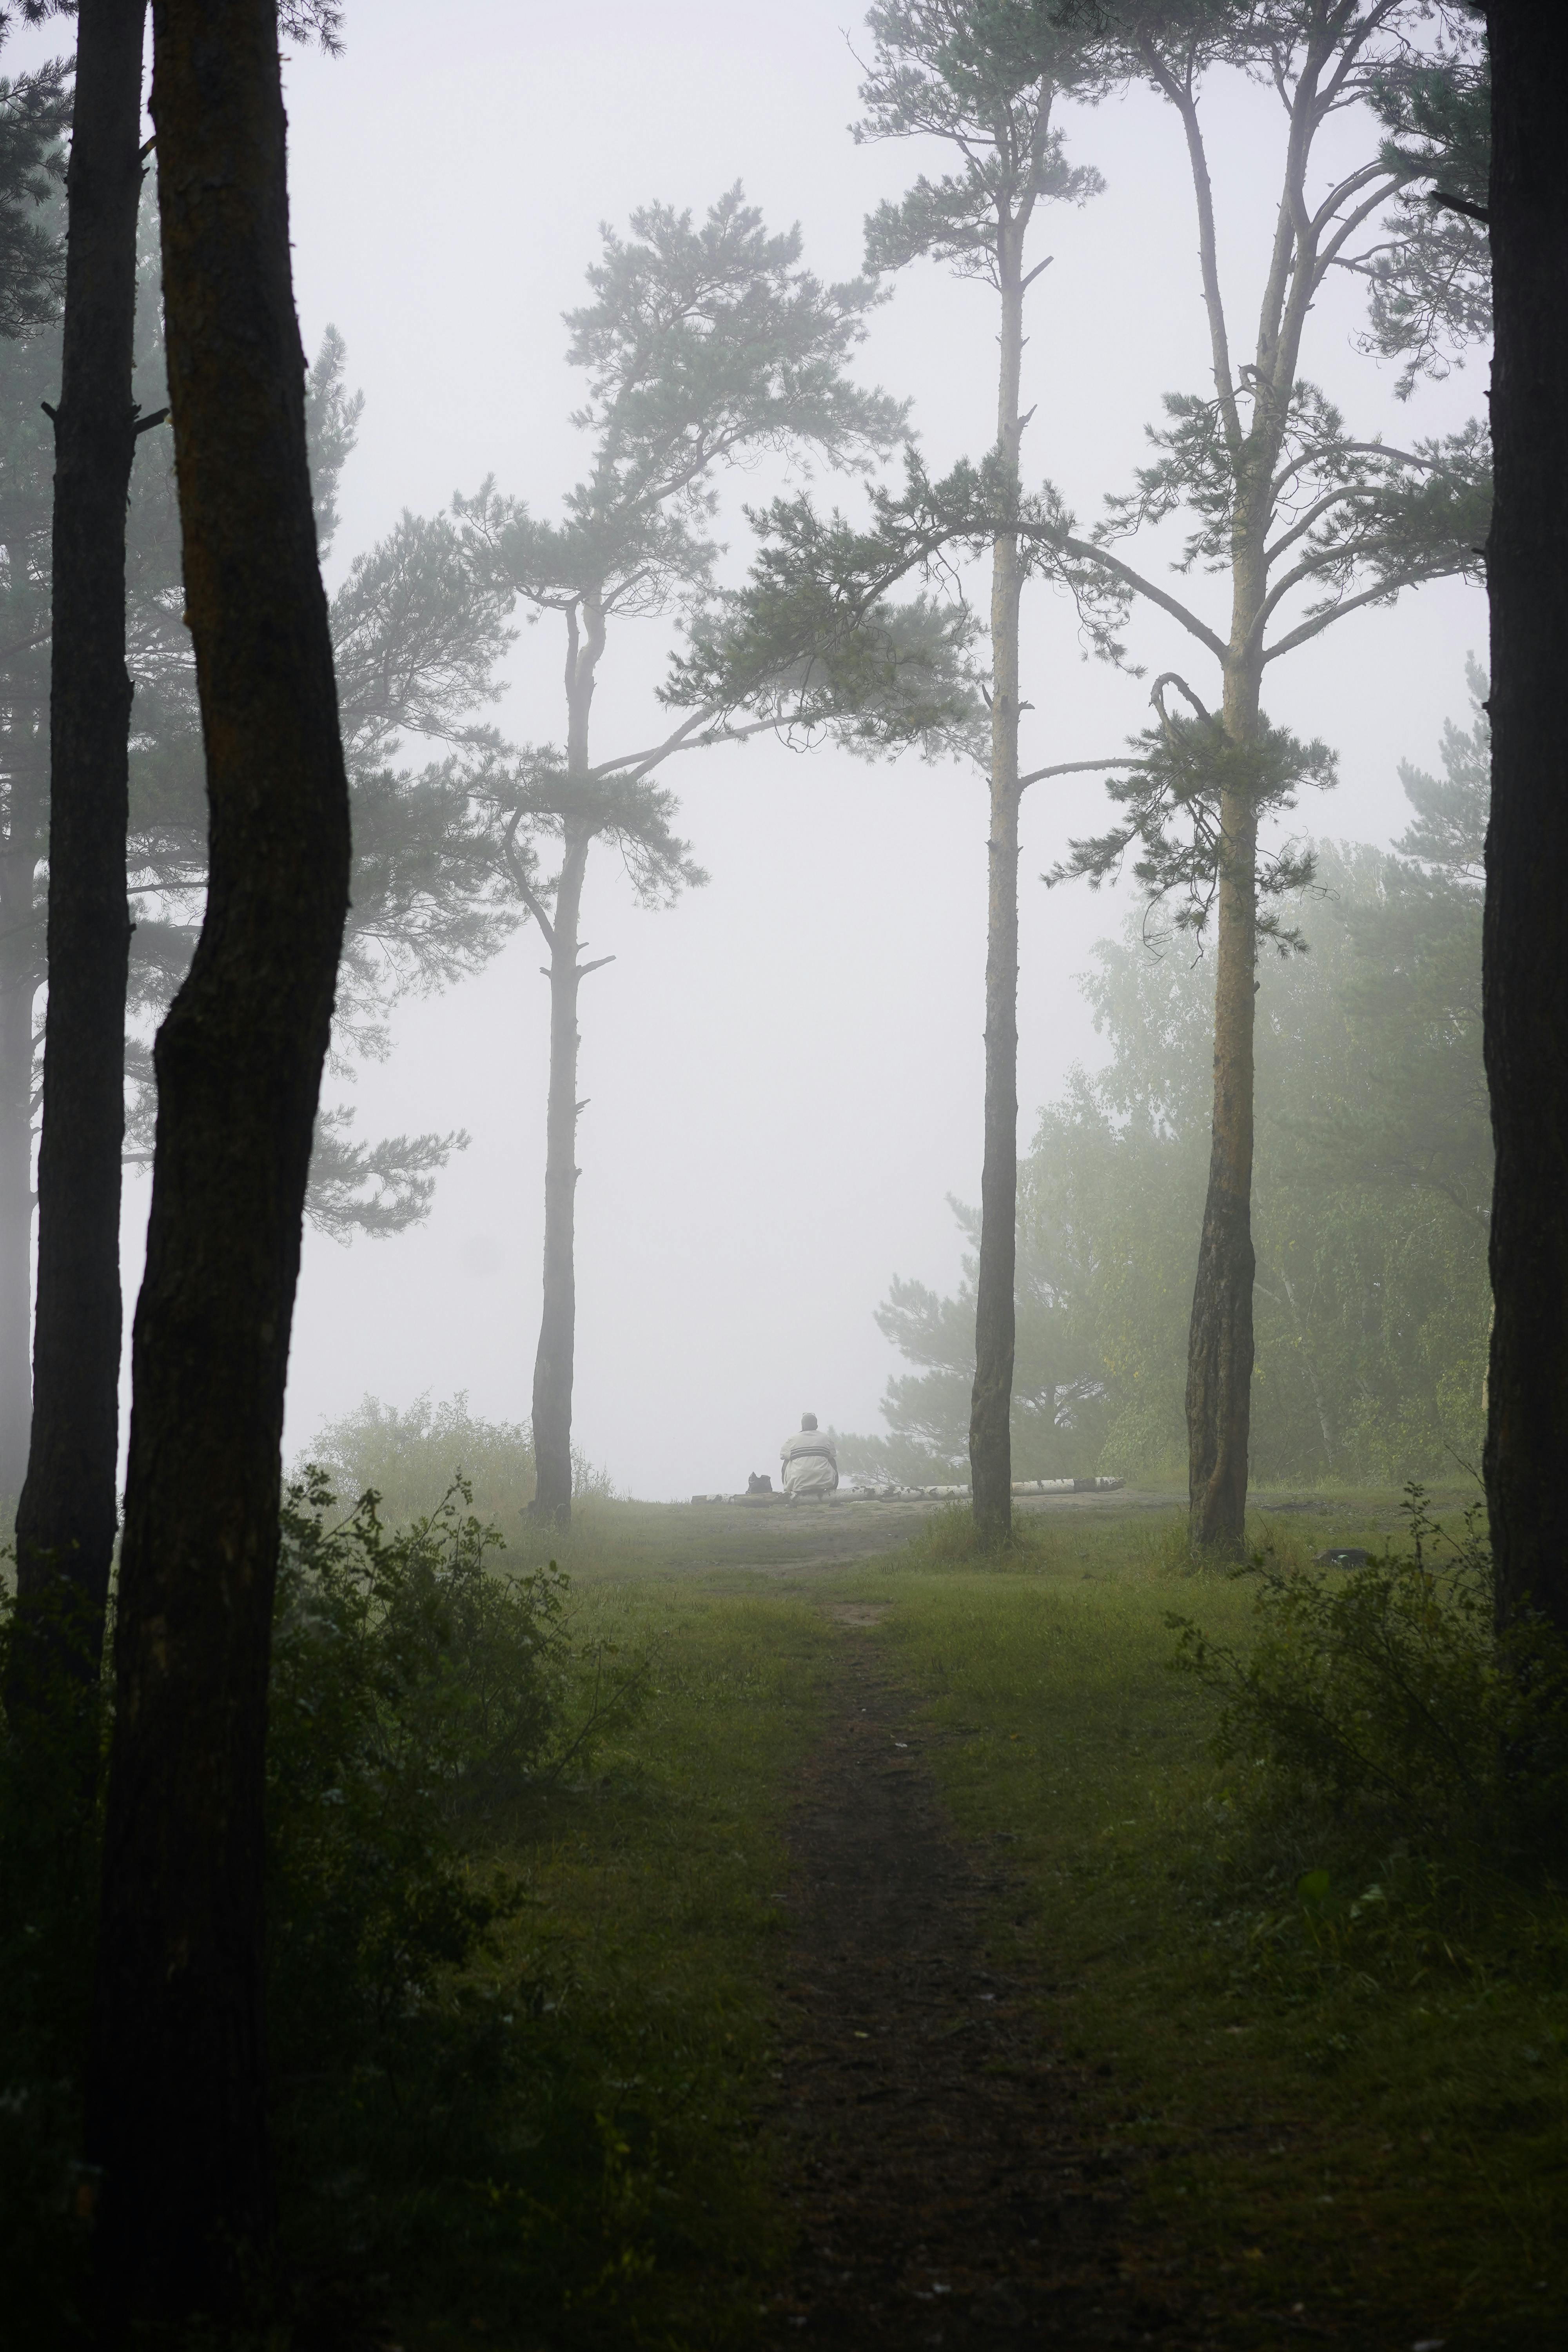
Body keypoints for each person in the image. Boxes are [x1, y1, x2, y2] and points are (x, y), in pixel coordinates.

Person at [780, 1412, 838, 1497]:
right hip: (824, 1483)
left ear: (802, 1426)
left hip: (798, 1485)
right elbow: (833, 1454)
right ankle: (833, 1498)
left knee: (787, 1461)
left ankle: (789, 1497)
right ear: (817, 1427)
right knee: (832, 1460)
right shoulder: (825, 1438)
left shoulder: (793, 1439)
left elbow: (782, 1455)